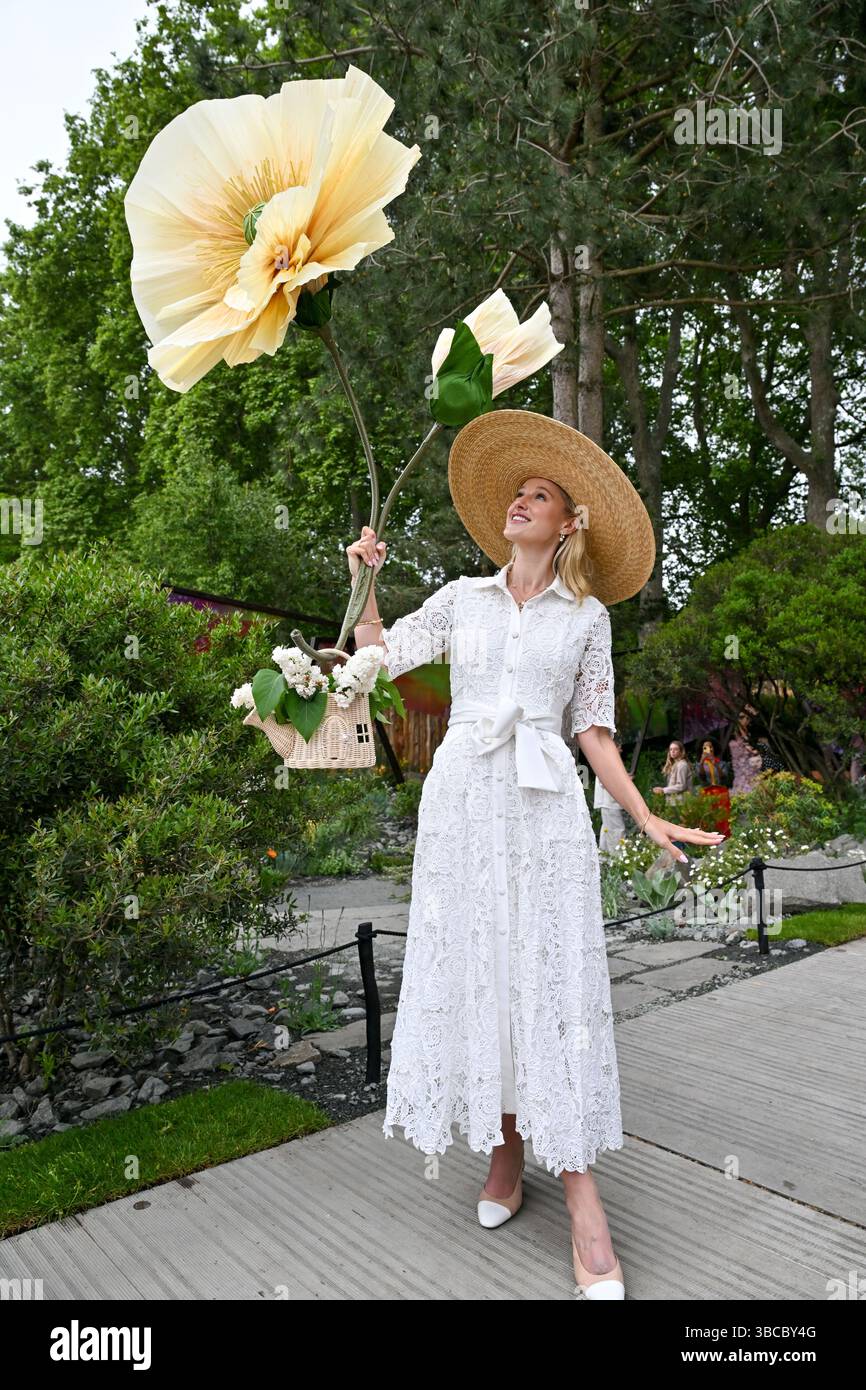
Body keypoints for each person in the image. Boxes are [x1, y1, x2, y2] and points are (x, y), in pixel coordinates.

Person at [347, 408, 725, 1301]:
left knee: (548, 979)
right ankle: (506, 1149)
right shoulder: (461, 600)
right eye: (516, 493)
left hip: (545, 807)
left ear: (567, 522)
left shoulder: (587, 618)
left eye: (539, 495)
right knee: (483, 966)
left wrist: (646, 816)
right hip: (463, 804)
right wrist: (364, 582)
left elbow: (593, 732)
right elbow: (379, 659)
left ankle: (584, 1201)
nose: (519, 503)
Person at [594, 731, 628, 856]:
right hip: (609, 802)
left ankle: (603, 857)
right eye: (619, 747)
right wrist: (625, 781)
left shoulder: (605, 759)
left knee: (606, 830)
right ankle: (618, 858)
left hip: (607, 802)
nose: (621, 750)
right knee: (618, 830)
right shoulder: (607, 760)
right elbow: (605, 782)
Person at [696, 738, 732, 837]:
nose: (709, 749)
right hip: (706, 792)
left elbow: (724, 778)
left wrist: (716, 764)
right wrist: (702, 763)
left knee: (723, 816)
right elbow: (701, 778)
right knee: (708, 815)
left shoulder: (721, 763)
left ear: (714, 748)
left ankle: (725, 836)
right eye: (705, 747)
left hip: (721, 791)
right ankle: (711, 837)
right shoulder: (699, 764)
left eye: (710, 747)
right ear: (702, 750)